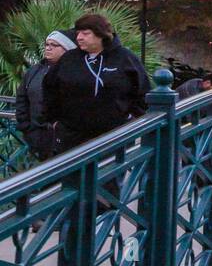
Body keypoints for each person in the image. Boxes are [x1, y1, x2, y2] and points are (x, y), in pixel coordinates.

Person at [43, 13, 152, 151]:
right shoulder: (69, 59)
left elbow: (142, 92)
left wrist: (134, 120)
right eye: (78, 33)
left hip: (115, 137)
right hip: (71, 138)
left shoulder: (125, 59)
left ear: (101, 34)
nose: (79, 37)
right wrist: (53, 121)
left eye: (85, 33)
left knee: (110, 172)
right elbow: (50, 89)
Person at [15, 30, 75, 160]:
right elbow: (22, 99)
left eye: (54, 45)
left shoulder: (76, 71)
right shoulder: (34, 71)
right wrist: (26, 127)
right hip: (38, 138)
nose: (48, 48)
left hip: (66, 141)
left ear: (67, 48)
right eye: (47, 44)